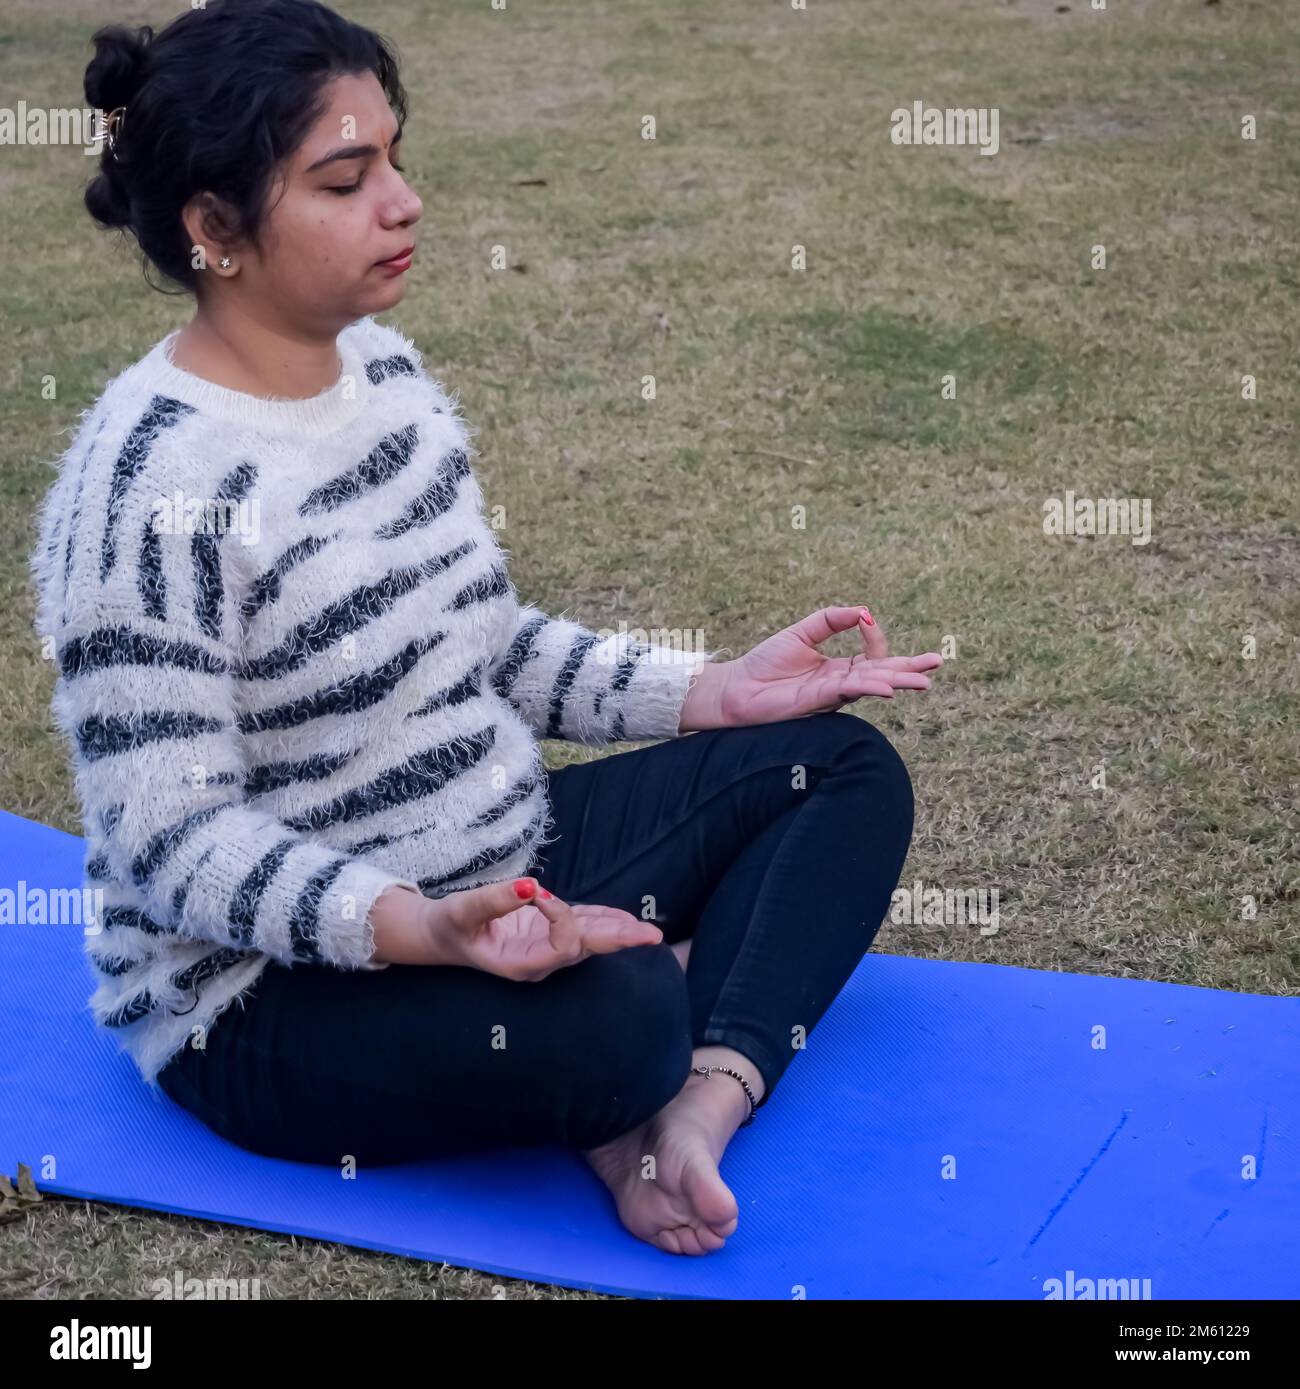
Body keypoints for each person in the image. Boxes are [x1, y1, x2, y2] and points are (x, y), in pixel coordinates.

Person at [28, 0, 942, 1257]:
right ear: (216, 228)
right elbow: (170, 845)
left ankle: (696, 1103)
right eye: (346, 180)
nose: (403, 203)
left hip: (495, 867)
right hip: (267, 995)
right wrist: (421, 930)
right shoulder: (149, 486)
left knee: (837, 770)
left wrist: (710, 693)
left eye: (396, 161)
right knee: (621, 1012)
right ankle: (641, 1040)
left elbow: (480, 643)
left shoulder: (387, 377)